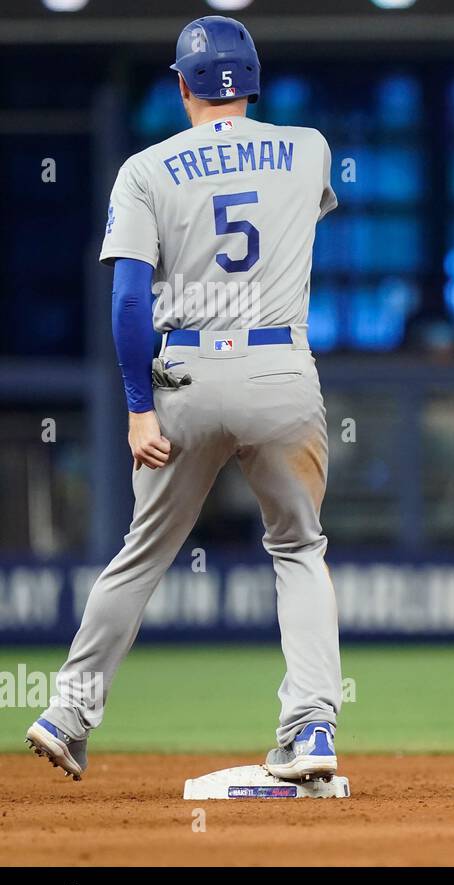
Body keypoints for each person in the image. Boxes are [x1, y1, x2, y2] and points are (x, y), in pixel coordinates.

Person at [26, 16, 342, 783]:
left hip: (184, 373)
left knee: (140, 555)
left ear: (181, 85)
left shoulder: (145, 169)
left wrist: (140, 406)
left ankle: (67, 712)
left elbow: (130, 303)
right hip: (279, 368)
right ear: (255, 81)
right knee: (298, 548)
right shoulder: (308, 149)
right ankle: (310, 732)